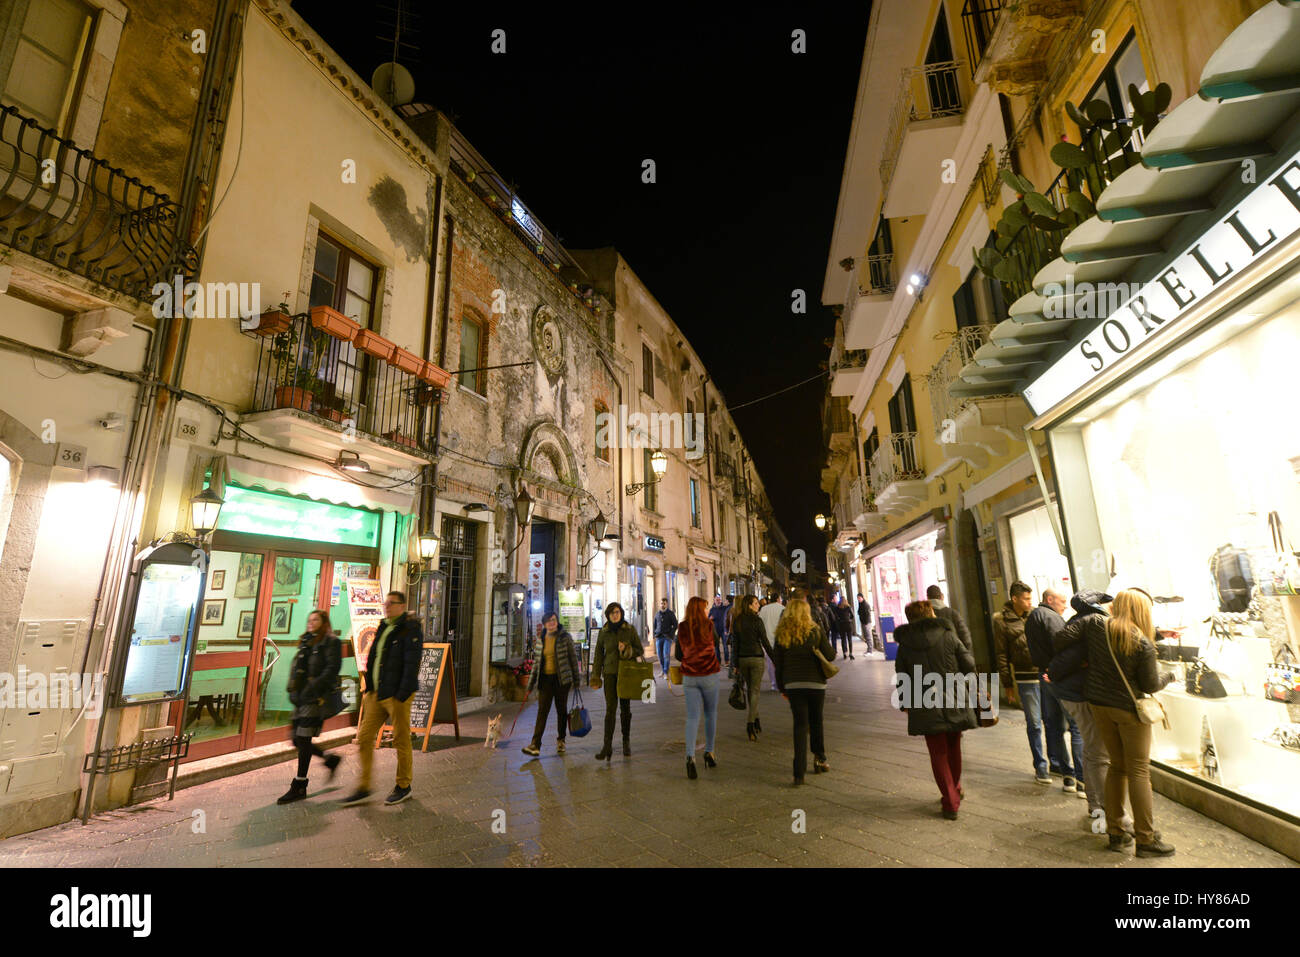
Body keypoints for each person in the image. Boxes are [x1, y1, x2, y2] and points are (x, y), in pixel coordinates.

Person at [1082, 588, 1177, 857]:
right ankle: (1146, 839)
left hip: (1100, 706)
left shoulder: (1098, 629)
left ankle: (1116, 831)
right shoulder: (1142, 643)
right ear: (1141, 610)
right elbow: (1150, 684)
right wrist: (1169, 676)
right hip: (1128, 710)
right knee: (1138, 771)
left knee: (1117, 766)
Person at [1050, 590, 1134, 834]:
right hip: (1079, 693)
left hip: (1071, 692)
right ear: (1097, 606)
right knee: (1099, 753)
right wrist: (1085, 664)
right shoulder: (1092, 624)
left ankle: (1095, 804)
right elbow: (1068, 660)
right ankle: (1110, 814)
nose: (1112, 608)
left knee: (1091, 748)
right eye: (1108, 604)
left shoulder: (1079, 622)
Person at [894, 600, 977, 819]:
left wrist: (906, 703)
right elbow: (968, 665)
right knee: (954, 746)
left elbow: (902, 677)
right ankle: (954, 789)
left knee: (938, 753)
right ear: (931, 614)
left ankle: (950, 799)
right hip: (954, 697)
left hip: (924, 702)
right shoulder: (948, 635)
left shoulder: (904, 645)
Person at [342, 591, 423, 806]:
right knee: (365, 737)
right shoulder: (383, 625)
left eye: (391, 603)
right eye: (385, 603)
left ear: (402, 605)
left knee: (401, 740)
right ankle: (364, 785)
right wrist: (368, 685)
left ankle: (404, 785)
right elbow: (374, 656)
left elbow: (411, 663)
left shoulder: (410, 628)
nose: (386, 606)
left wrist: (402, 693)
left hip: (397, 695)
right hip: (376, 693)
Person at [278, 609, 343, 804]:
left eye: (316, 619)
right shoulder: (307, 641)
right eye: (309, 619)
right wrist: (293, 689)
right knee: (297, 740)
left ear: (324, 622)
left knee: (303, 739)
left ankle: (299, 785)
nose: (311, 622)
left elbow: (332, 669)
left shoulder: (331, 641)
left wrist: (312, 688)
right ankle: (330, 760)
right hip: (301, 696)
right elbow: (299, 667)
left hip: (315, 697)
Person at [773, 597, 836, 785]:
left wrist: (781, 687)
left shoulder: (782, 634)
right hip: (816, 684)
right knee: (816, 721)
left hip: (793, 685)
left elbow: (779, 664)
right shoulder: (815, 630)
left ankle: (798, 772)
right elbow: (831, 655)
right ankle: (820, 759)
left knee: (800, 726)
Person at [1026, 588, 1083, 794]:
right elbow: (1062, 646)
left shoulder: (1033, 617)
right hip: (1058, 676)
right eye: (1062, 600)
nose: (1065, 605)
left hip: (1044, 674)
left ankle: (1067, 775)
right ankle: (1082, 779)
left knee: (1054, 727)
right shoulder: (1051, 617)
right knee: (1076, 727)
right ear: (1049, 599)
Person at [993, 581, 1051, 785]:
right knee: (1034, 723)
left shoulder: (1036, 614)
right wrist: (1007, 684)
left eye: (1030, 598)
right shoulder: (1002, 621)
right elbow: (1001, 654)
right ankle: (1041, 766)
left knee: (1051, 721)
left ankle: (1056, 763)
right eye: (1025, 598)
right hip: (1025, 677)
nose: (1029, 602)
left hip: (1045, 675)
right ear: (1014, 599)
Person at [675, 596, 722, 778]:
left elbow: (679, 654)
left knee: (692, 718)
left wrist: (690, 659)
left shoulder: (682, 627)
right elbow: (716, 644)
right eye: (704, 608)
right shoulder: (709, 626)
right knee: (710, 714)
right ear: (701, 609)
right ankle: (709, 752)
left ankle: (689, 756)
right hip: (709, 674)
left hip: (690, 677)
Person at [590, 602, 644, 760]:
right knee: (610, 710)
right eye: (612, 612)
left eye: (618, 612)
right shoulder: (604, 632)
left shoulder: (629, 629)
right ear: (608, 615)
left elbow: (639, 650)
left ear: (621, 613)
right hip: (609, 674)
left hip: (625, 673)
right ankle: (607, 746)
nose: (615, 615)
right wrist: (595, 675)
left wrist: (627, 649)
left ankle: (626, 741)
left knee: (625, 709)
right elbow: (598, 655)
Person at [522, 612, 581, 757]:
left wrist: (577, 680)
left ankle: (561, 740)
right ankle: (535, 744)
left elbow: (573, 659)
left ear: (557, 621)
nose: (552, 623)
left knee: (561, 711)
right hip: (545, 680)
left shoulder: (565, 637)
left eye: (554, 620)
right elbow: (536, 663)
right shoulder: (541, 639)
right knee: (542, 712)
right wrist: (530, 685)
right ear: (544, 624)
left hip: (562, 681)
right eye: (549, 621)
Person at [730, 593, 775, 740]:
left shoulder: (738, 621)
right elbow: (765, 642)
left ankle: (756, 719)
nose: (758, 605)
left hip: (743, 659)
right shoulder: (757, 620)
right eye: (755, 603)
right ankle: (750, 724)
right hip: (756, 659)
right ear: (749, 605)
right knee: (754, 691)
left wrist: (735, 664)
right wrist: (775, 659)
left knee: (750, 690)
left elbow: (735, 645)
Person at [926, 585, 972, 655]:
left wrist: (918, 666)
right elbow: (966, 640)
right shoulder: (953, 614)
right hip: (952, 661)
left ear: (927, 598)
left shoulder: (923, 617)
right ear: (942, 596)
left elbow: (918, 659)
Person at [759, 594, 785, 691]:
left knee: (770, 663)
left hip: (767, 640)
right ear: (778, 599)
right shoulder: (783, 608)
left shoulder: (764, 609)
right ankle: (780, 682)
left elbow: (760, 623)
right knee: (780, 662)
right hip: (780, 639)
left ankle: (774, 684)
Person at [653, 598, 678, 680]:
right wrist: (655, 634)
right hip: (659, 637)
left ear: (667, 604)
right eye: (661, 603)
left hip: (667, 637)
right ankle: (663, 670)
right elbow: (655, 625)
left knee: (666, 655)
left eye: (664, 603)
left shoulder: (670, 614)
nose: (662, 605)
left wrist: (671, 634)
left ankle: (666, 672)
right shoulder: (657, 614)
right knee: (660, 656)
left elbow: (675, 625)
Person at [709, 595, 732, 667]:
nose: (719, 601)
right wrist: (710, 618)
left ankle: (727, 661)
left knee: (725, 646)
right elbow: (708, 619)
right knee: (716, 647)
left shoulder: (724, 608)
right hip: (715, 630)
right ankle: (718, 661)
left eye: (719, 600)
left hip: (723, 630)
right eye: (717, 600)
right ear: (714, 601)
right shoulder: (712, 610)